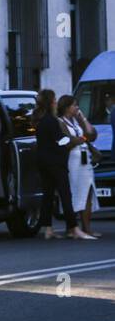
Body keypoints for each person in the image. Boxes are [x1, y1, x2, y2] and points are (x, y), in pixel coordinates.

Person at [32, 89, 82, 240]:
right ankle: (73, 227)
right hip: (56, 162)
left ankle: (48, 229)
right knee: (65, 194)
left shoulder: (39, 120)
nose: (55, 102)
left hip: (43, 161)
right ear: (51, 103)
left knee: (48, 195)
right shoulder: (52, 120)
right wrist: (73, 140)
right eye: (54, 100)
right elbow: (60, 140)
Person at [59, 95, 100, 240]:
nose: (77, 108)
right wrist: (82, 139)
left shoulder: (77, 121)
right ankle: (71, 228)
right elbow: (67, 142)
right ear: (66, 107)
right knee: (73, 193)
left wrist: (82, 118)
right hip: (72, 161)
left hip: (84, 161)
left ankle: (87, 228)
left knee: (88, 192)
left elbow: (92, 134)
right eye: (74, 106)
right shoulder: (61, 122)